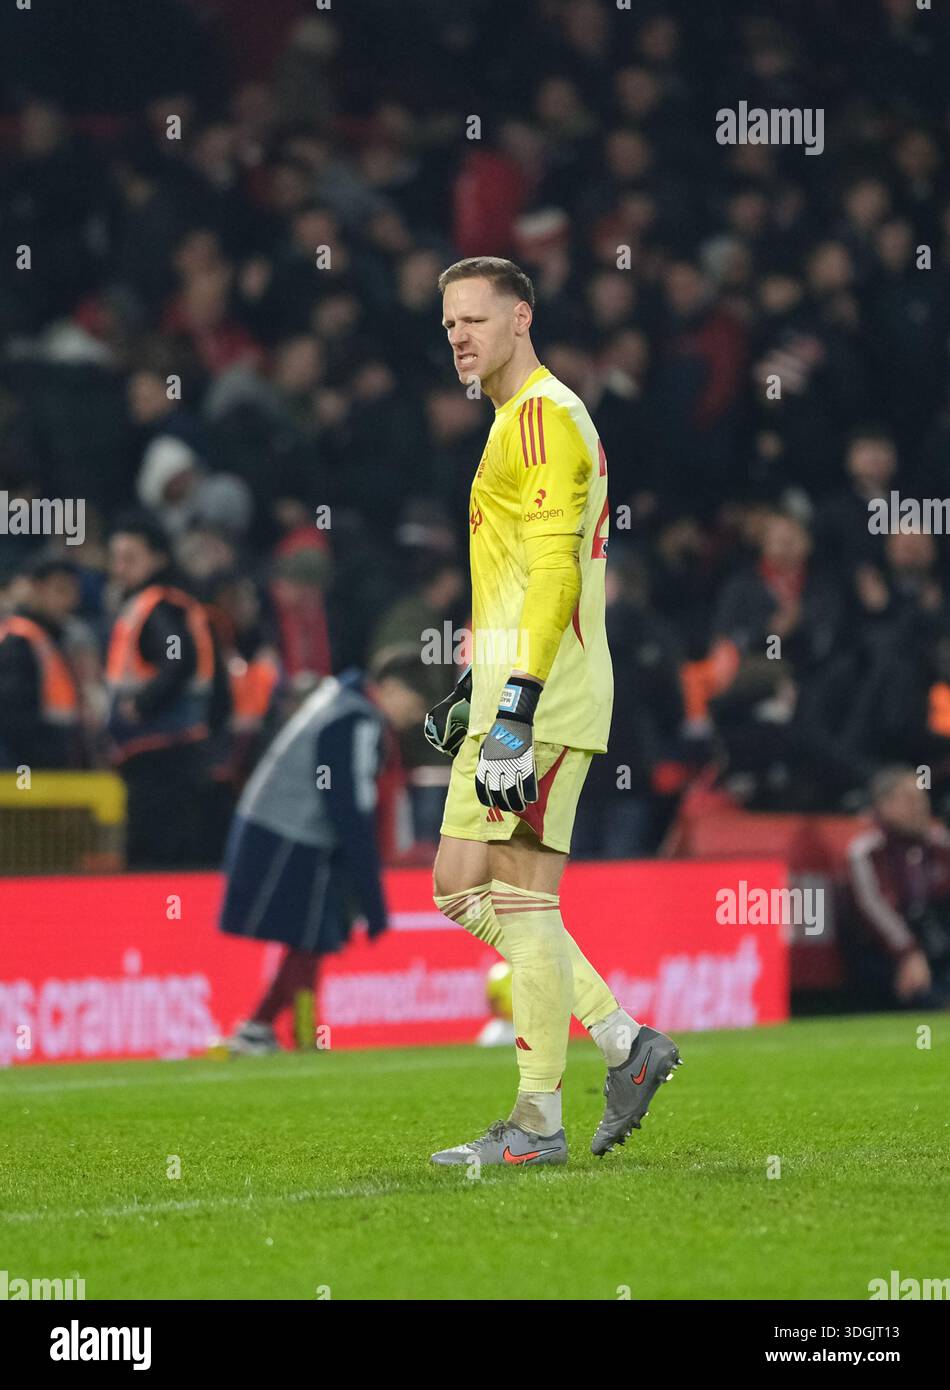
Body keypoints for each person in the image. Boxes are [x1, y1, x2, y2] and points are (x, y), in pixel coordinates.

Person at [426, 256, 681, 1168]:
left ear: (522, 317)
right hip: (516, 686)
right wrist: (478, 685)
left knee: (516, 897)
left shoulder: (543, 418)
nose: (459, 334)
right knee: (459, 880)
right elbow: (519, 578)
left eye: (477, 319)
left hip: (544, 696)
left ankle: (537, 1124)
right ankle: (623, 1044)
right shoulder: (516, 421)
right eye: (450, 321)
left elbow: (557, 570)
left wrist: (515, 708)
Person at [217, 651, 430, 1054]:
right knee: (311, 933)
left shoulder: (340, 702)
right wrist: (373, 899)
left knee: (311, 933)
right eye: (415, 705)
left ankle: (265, 1029)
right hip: (290, 832)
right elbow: (348, 808)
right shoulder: (356, 718)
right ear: (390, 689)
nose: (416, 718)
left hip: (279, 826)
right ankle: (290, 1032)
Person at [105, 514, 223, 866]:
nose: (120, 567)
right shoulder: (175, 603)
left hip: (160, 755)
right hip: (177, 754)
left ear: (158, 558)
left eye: (130, 558)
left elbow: (179, 657)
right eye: (117, 558)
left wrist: (140, 706)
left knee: (154, 856)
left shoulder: (158, 605)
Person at [843, 766, 950, 1011]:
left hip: (938, 948)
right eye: (909, 799)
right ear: (884, 806)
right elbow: (875, 909)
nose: (919, 807)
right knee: (926, 998)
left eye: (922, 799)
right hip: (886, 955)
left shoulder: (940, 847)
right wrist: (908, 952)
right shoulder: (868, 851)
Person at [0, 557, 83, 769]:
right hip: (29, 768)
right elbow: (14, 716)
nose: (69, 601)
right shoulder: (20, 640)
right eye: (60, 590)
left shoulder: (47, 637)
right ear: (36, 589)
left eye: (72, 592)